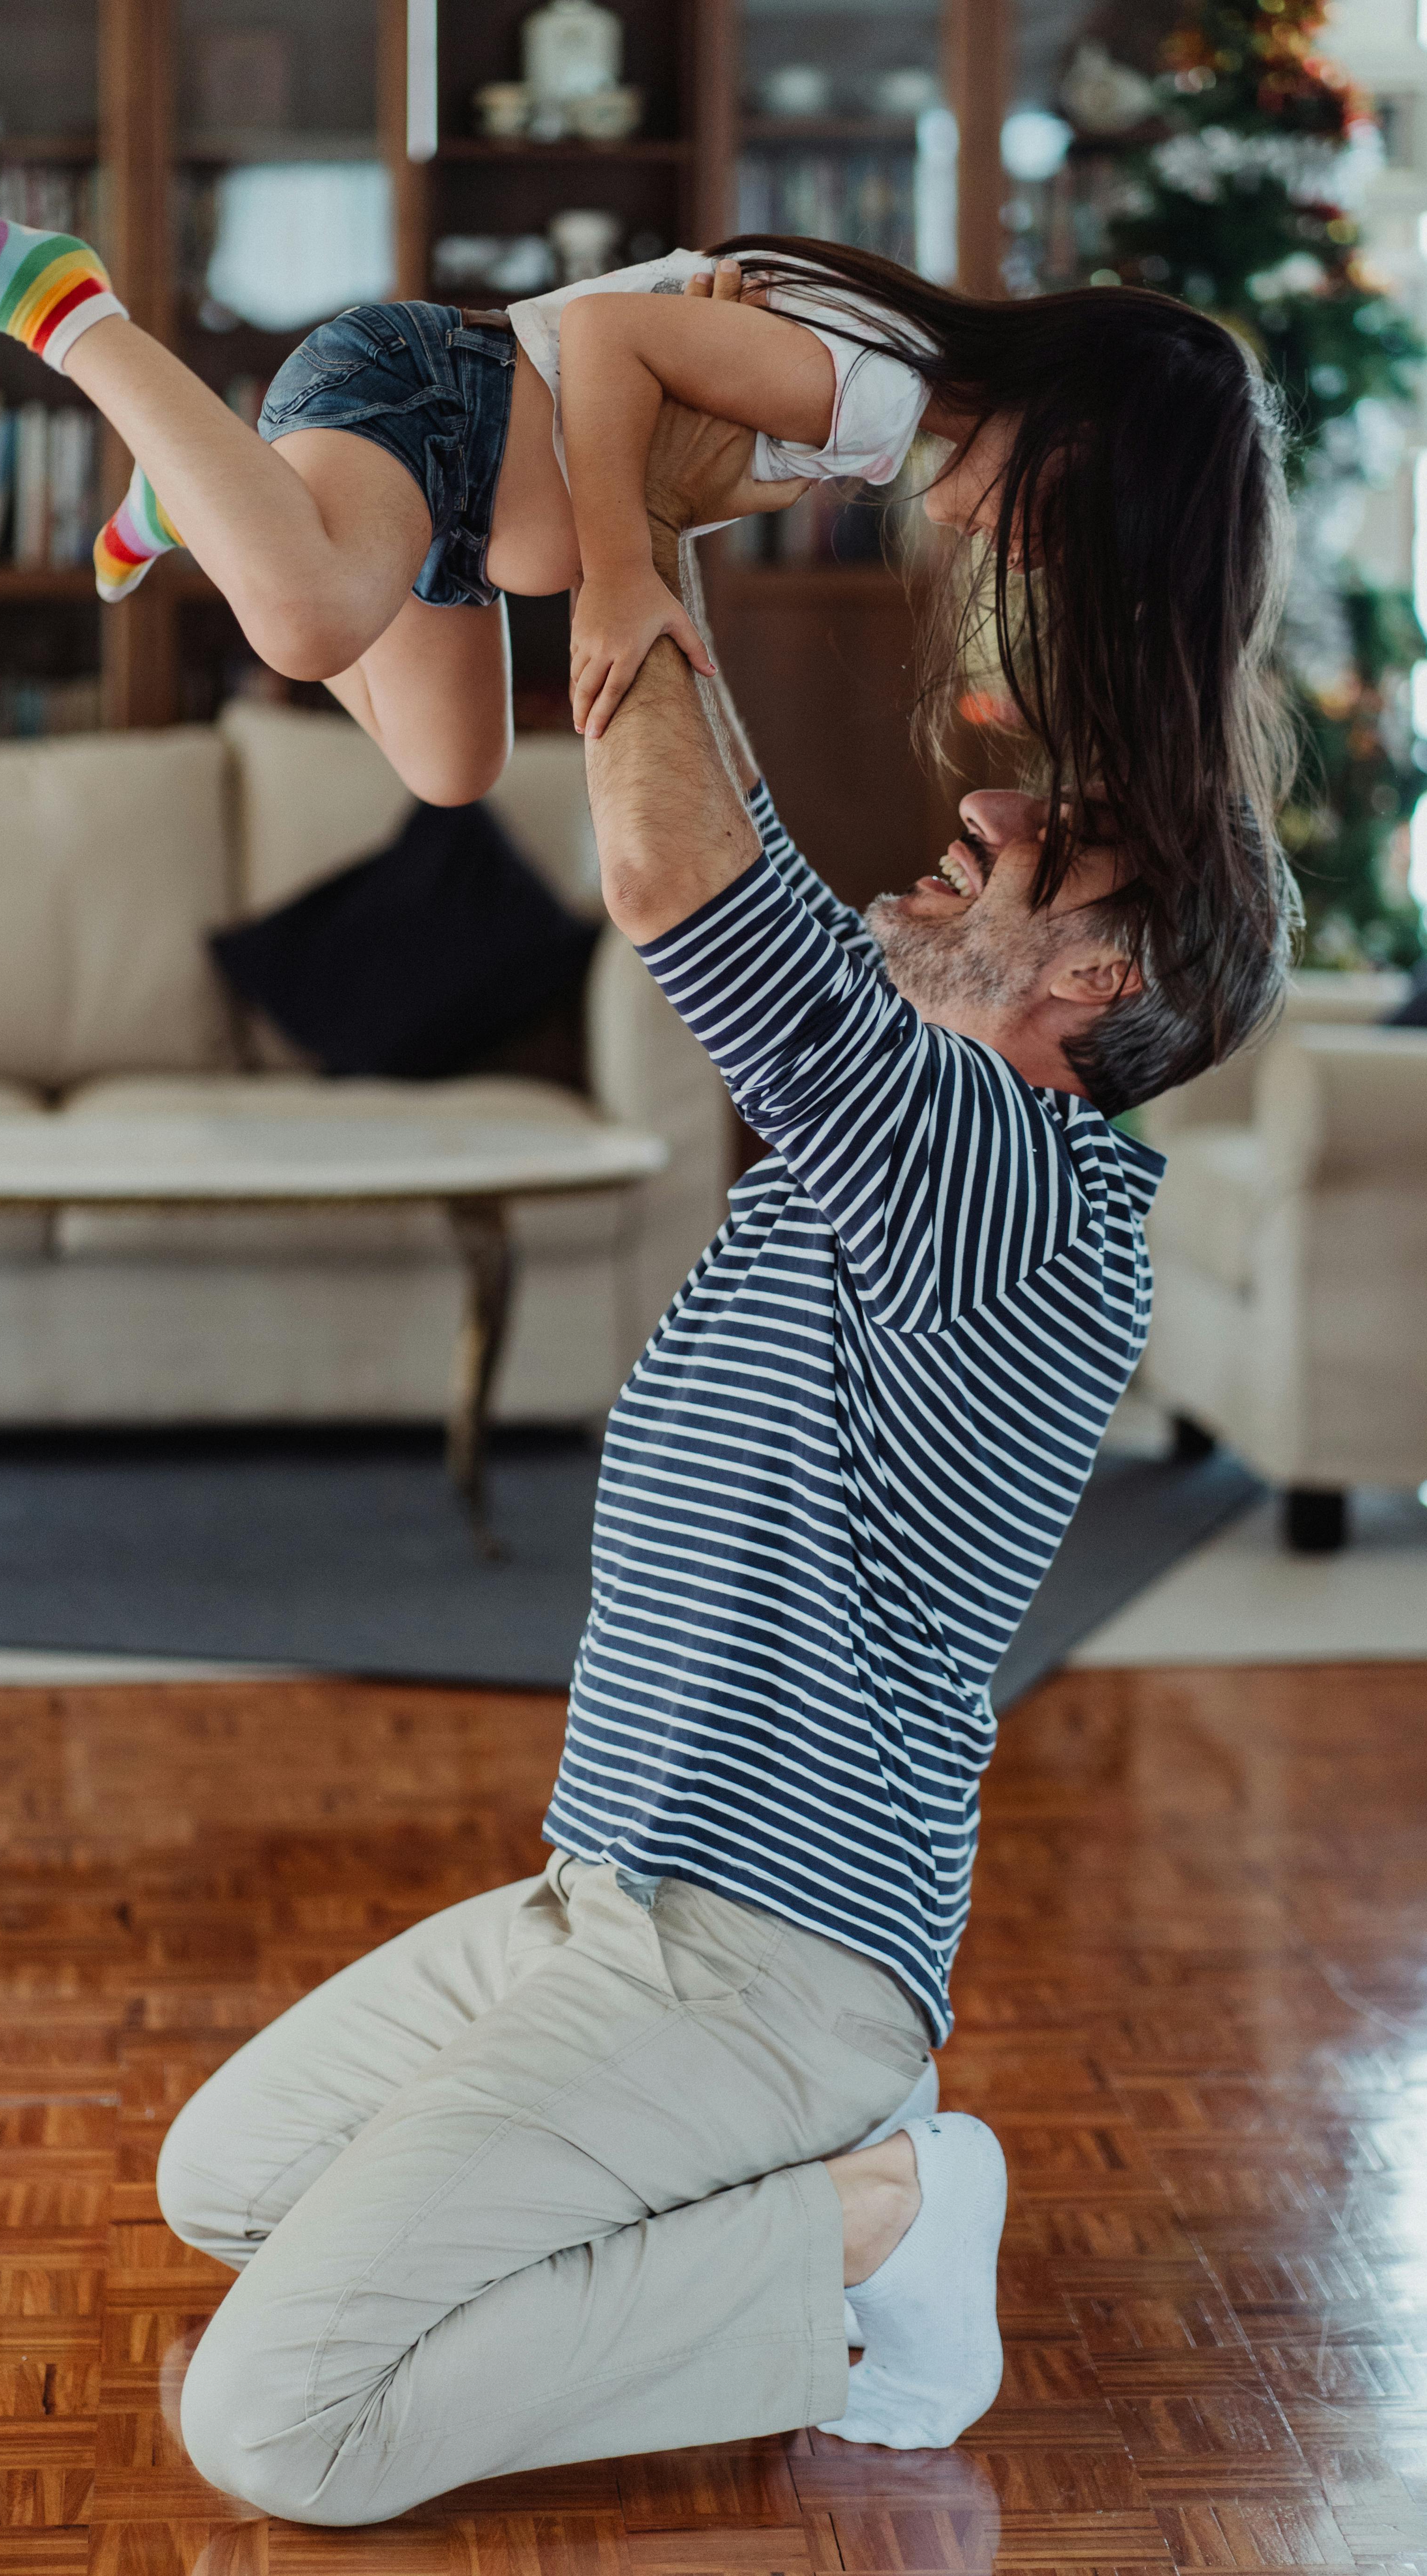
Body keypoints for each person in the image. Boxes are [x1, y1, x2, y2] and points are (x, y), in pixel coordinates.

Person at [130, 404, 1292, 2528]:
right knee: (223, 2190)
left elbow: (675, 878)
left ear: (1098, 980)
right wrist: (636, 540)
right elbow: (725, 833)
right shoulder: (899, 1153)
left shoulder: (1012, 1183)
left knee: (282, 2426)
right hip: (600, 1906)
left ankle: (873, 2219)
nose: (979, 821)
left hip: (770, 1965)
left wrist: (628, 532)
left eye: (1032, 853)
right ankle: (741, 2178)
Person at [0, 215, 1291, 927]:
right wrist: (614, 569)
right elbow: (605, 346)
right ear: (1077, 429)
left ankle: (208, 498)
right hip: (431, 400)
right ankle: (65, 303)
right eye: (1073, 523)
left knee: (453, 764)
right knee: (303, 619)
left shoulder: (886, 420)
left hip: (465, 521)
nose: (1030, 552)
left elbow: (669, 397)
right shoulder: (879, 392)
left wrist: (635, 530)